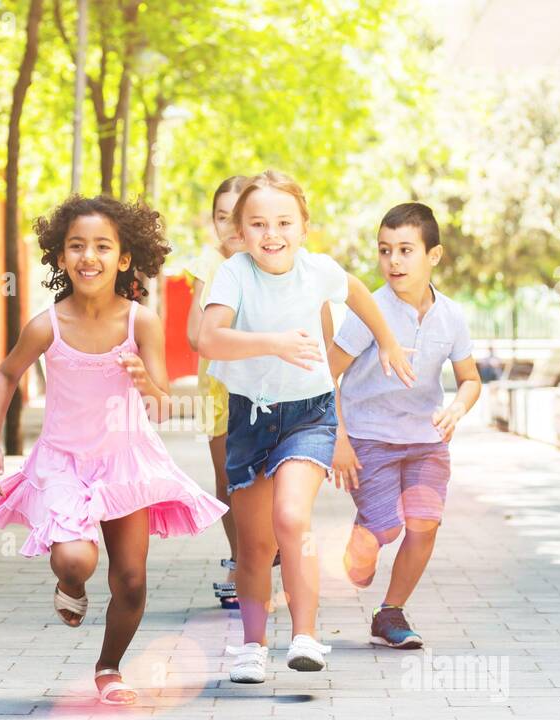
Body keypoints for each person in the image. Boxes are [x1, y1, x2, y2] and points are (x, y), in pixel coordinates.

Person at [0, 195, 227, 705]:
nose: (87, 256)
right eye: (76, 246)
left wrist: (146, 383)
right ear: (59, 257)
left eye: (101, 246)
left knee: (132, 580)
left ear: (123, 258)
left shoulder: (142, 322)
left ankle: (109, 667)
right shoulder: (47, 324)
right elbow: (7, 373)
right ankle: (71, 583)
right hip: (63, 462)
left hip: (126, 461)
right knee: (75, 558)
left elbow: (162, 406)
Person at [197, 169, 415, 683]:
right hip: (251, 418)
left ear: (303, 227)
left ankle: (305, 637)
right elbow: (209, 339)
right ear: (241, 232)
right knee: (254, 547)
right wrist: (272, 342)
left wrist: (385, 339)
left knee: (292, 519)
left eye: (282, 222)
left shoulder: (317, 270)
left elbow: (358, 291)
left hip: (309, 414)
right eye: (257, 224)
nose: (271, 234)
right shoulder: (234, 273)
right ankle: (252, 646)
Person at [329, 203, 481, 648]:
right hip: (368, 435)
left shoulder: (451, 315)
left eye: (405, 250)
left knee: (424, 524)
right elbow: (327, 374)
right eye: (385, 250)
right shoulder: (368, 311)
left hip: (426, 440)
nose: (393, 261)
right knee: (387, 528)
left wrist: (457, 408)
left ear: (433, 255)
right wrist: (338, 437)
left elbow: (471, 379)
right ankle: (365, 540)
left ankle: (390, 613)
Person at [185, 175, 249, 610]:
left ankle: (263, 551)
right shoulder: (209, 266)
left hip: (269, 389)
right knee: (227, 478)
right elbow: (195, 334)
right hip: (219, 391)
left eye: (238, 217)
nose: (231, 228)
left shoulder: (274, 260)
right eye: (222, 218)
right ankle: (240, 561)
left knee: (265, 477)